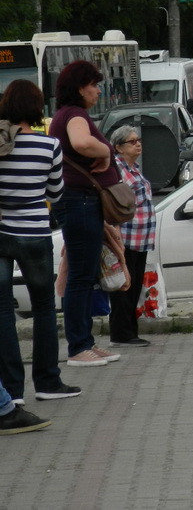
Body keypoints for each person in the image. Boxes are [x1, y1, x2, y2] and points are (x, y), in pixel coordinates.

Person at [0, 79, 77, 402]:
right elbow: (56, 193)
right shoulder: (50, 146)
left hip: (1, 233)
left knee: (3, 309)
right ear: (36, 108)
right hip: (35, 233)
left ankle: (11, 391)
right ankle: (47, 382)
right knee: (44, 306)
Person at [48, 61, 122, 367]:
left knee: (84, 272)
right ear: (80, 87)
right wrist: (106, 151)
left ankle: (86, 342)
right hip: (78, 201)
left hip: (77, 201)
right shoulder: (75, 115)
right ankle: (78, 347)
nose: (98, 89)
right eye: (94, 84)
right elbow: (80, 142)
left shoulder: (65, 115)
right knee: (81, 274)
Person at [107, 125, 156, 349]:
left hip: (140, 237)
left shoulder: (134, 168)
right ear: (118, 147)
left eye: (138, 140)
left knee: (134, 285)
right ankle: (121, 334)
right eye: (131, 141)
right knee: (124, 286)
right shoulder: (116, 169)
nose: (138, 144)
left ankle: (130, 331)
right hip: (125, 236)